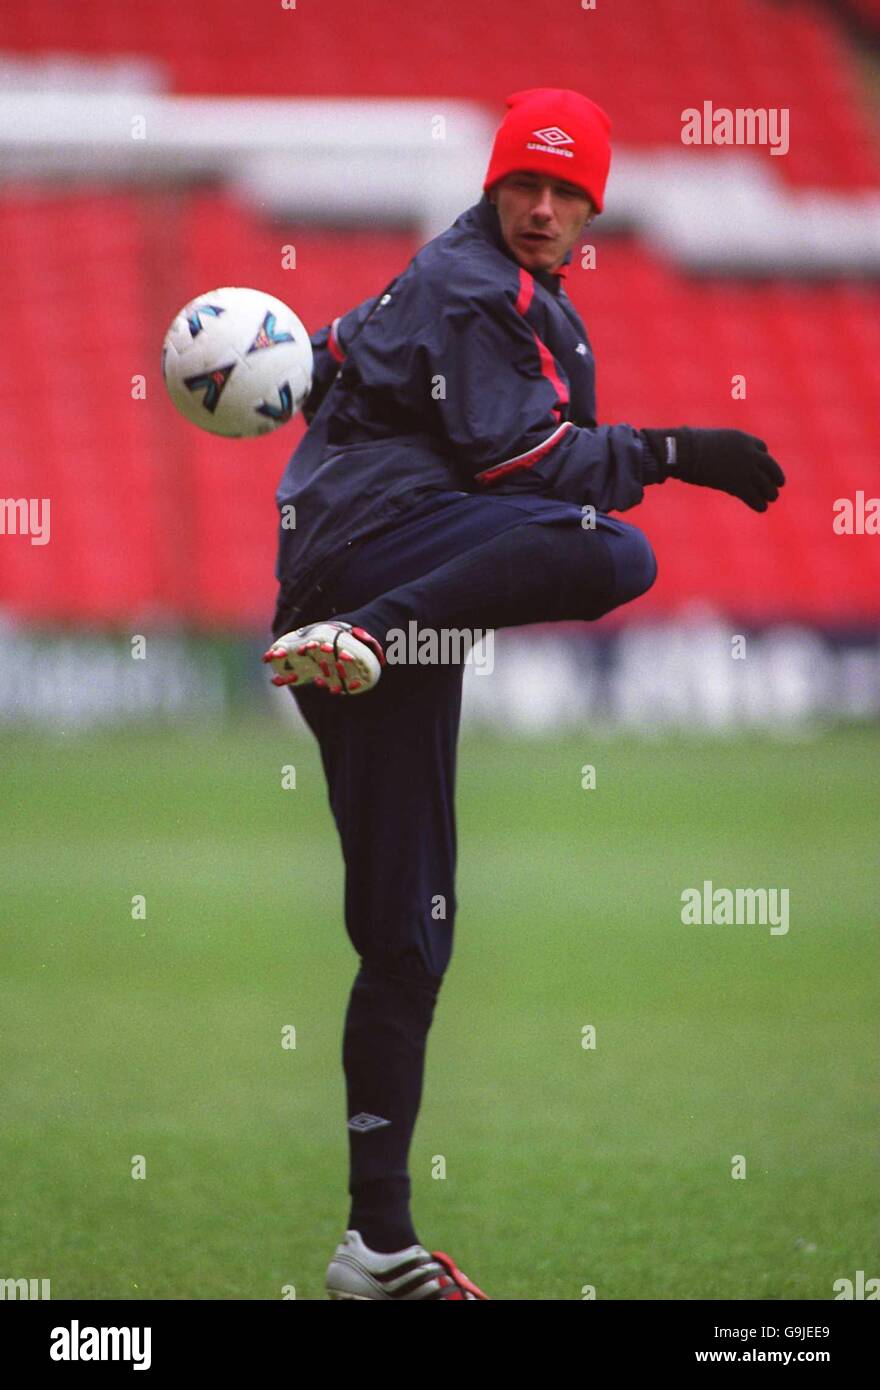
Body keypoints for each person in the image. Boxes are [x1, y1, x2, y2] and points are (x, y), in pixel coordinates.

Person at [263, 87, 785, 1301]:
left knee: (406, 937)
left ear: (590, 203)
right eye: (523, 186)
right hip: (380, 572)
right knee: (617, 552)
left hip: (349, 587)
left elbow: (367, 380)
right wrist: (682, 451)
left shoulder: (481, 291)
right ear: (494, 188)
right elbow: (533, 467)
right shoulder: (470, 286)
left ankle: (373, 1249)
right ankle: (377, 636)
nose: (541, 207)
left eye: (563, 191)